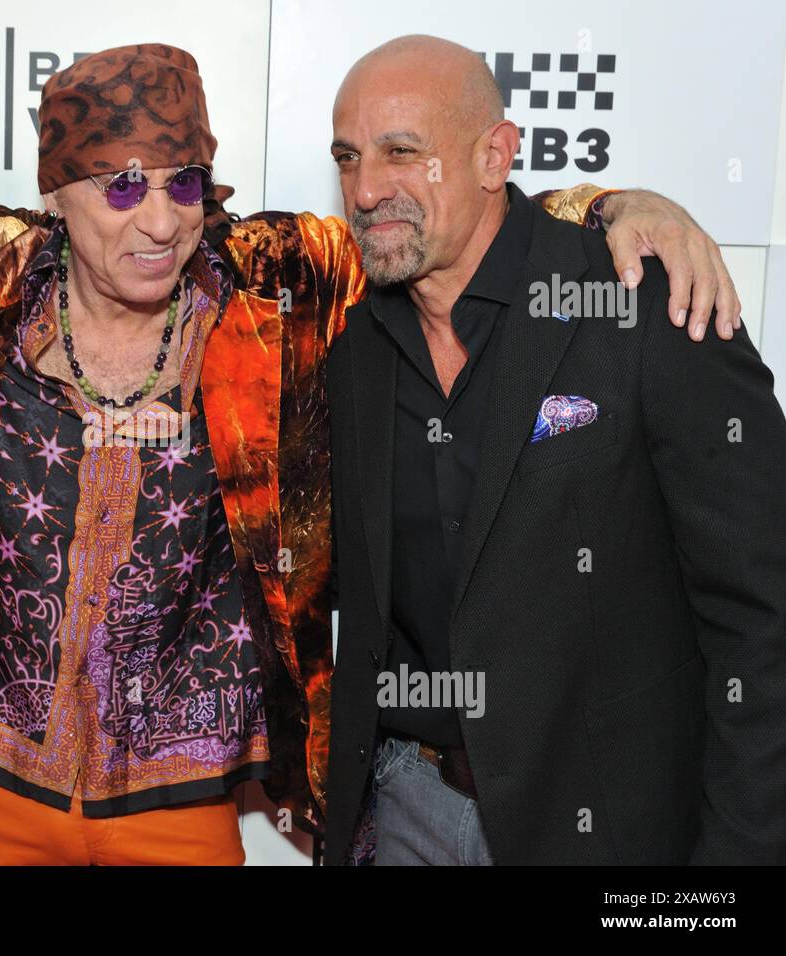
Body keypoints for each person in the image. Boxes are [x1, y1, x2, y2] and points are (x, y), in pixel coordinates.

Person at [0, 32, 740, 864]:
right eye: (118, 187)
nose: (158, 220)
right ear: (55, 194)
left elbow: (441, 210)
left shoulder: (274, 278)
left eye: (184, 182)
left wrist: (625, 207)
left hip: (188, 788)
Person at [323, 34, 786, 865]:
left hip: (608, 827)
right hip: (405, 812)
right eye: (348, 157)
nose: (365, 188)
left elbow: (763, 612)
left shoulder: (647, 303)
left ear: (495, 155)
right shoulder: (351, 345)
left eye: (402, 153)